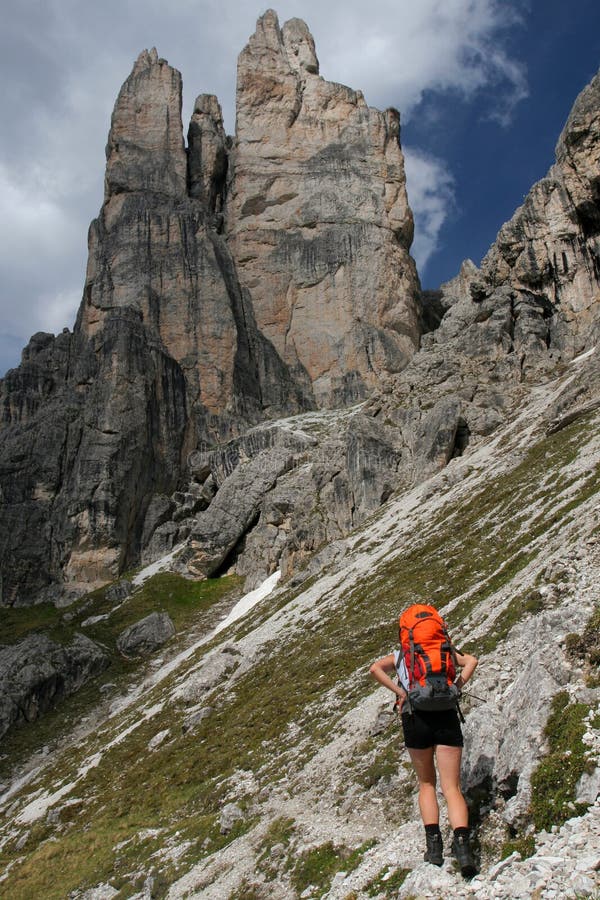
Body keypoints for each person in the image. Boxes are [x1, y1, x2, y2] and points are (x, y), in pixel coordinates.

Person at [369, 624, 478, 878]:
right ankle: (464, 851)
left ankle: (434, 849)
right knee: (452, 787)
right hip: (446, 715)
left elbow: (375, 669)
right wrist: (456, 688)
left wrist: (401, 693)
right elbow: (472, 661)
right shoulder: (444, 651)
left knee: (426, 783)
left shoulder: (403, 656)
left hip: (415, 718)